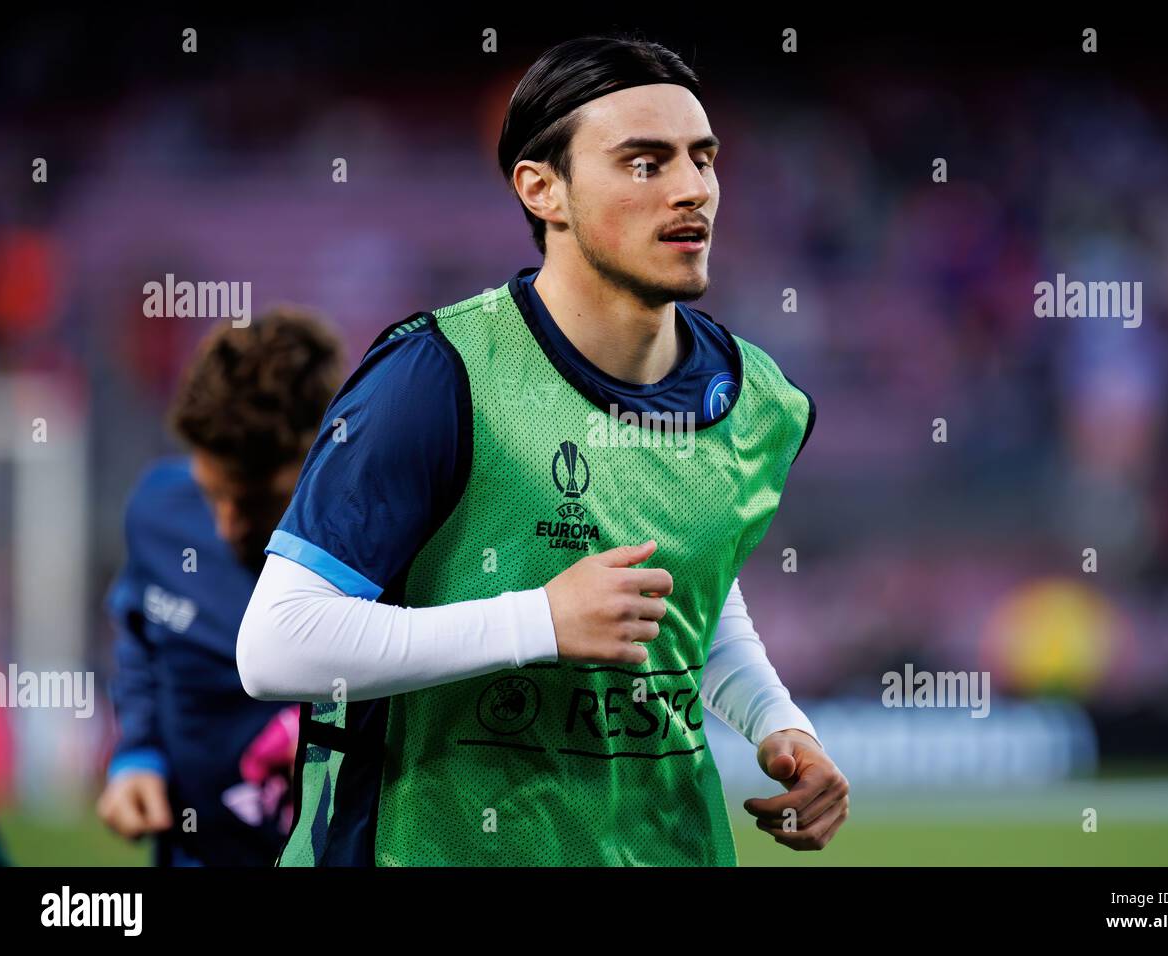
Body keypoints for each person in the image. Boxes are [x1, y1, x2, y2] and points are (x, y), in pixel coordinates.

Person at [238, 32, 849, 866]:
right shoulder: (435, 377)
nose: (691, 190)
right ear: (542, 188)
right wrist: (537, 621)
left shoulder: (761, 404)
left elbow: (693, 597)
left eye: (701, 160)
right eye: (644, 162)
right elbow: (276, 644)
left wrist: (780, 724)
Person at [98, 308, 345, 865]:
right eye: (213, 493)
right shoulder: (158, 515)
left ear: (323, 459)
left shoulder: (384, 548)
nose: (226, 525)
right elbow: (140, 636)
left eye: (254, 500)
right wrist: (138, 754)